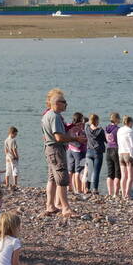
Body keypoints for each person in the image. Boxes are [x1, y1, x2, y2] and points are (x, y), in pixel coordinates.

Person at [42, 90, 79, 218]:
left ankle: (50, 206)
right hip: (56, 149)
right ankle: (65, 208)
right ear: (57, 103)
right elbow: (58, 137)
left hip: (49, 148)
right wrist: (76, 139)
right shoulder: (55, 116)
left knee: (52, 178)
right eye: (64, 102)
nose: (66, 104)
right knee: (62, 178)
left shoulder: (46, 115)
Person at [84, 113, 105, 195]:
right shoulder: (100, 130)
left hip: (89, 151)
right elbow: (105, 139)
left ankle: (87, 188)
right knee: (96, 171)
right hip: (98, 152)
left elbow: (86, 123)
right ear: (96, 121)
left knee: (89, 171)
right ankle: (95, 189)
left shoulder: (87, 128)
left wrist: (90, 122)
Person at [66, 110, 86, 195]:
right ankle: (78, 189)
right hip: (78, 150)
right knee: (78, 170)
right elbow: (82, 138)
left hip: (70, 149)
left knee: (71, 170)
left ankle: (69, 187)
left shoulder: (69, 126)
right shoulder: (79, 128)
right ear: (80, 119)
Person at [117, 115, 133, 200]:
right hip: (129, 154)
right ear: (129, 122)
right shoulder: (130, 130)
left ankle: (123, 193)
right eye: (132, 123)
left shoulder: (119, 130)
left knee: (123, 176)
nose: (132, 124)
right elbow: (132, 145)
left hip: (121, 153)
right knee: (130, 177)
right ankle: (127, 194)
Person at [103, 112, 121, 196]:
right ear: (116, 119)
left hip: (108, 149)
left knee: (110, 173)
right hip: (116, 150)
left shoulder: (106, 128)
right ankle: (115, 193)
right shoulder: (118, 129)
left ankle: (110, 193)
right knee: (117, 172)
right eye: (119, 118)